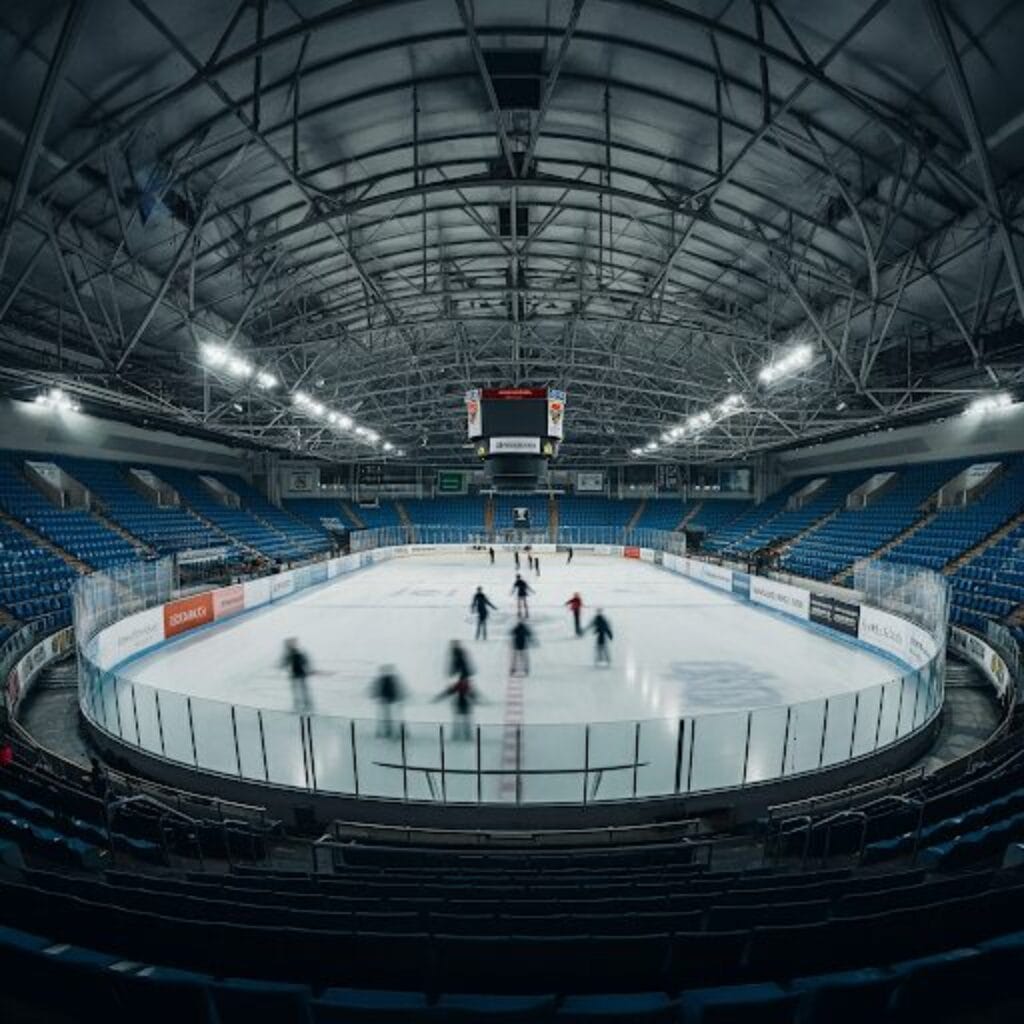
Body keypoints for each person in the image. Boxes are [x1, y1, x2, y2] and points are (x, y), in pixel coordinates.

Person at [435, 640, 479, 740]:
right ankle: (464, 735)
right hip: (464, 702)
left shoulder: (458, 654)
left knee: (460, 719)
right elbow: (472, 693)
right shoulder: (463, 684)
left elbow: (449, 692)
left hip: (461, 702)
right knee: (464, 719)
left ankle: (458, 734)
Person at [370, 665, 405, 739]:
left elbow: (377, 689)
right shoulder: (389, 679)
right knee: (389, 718)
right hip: (389, 701)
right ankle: (388, 732)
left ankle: (388, 732)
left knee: (388, 718)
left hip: (388, 701)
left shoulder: (386, 679)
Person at [280, 637, 314, 711]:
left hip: (299, 674)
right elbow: (286, 662)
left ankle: (306, 704)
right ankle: (301, 704)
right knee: (298, 690)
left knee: (302, 690)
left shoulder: (297, 652)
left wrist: (308, 668)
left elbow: (304, 661)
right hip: (296, 675)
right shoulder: (291, 653)